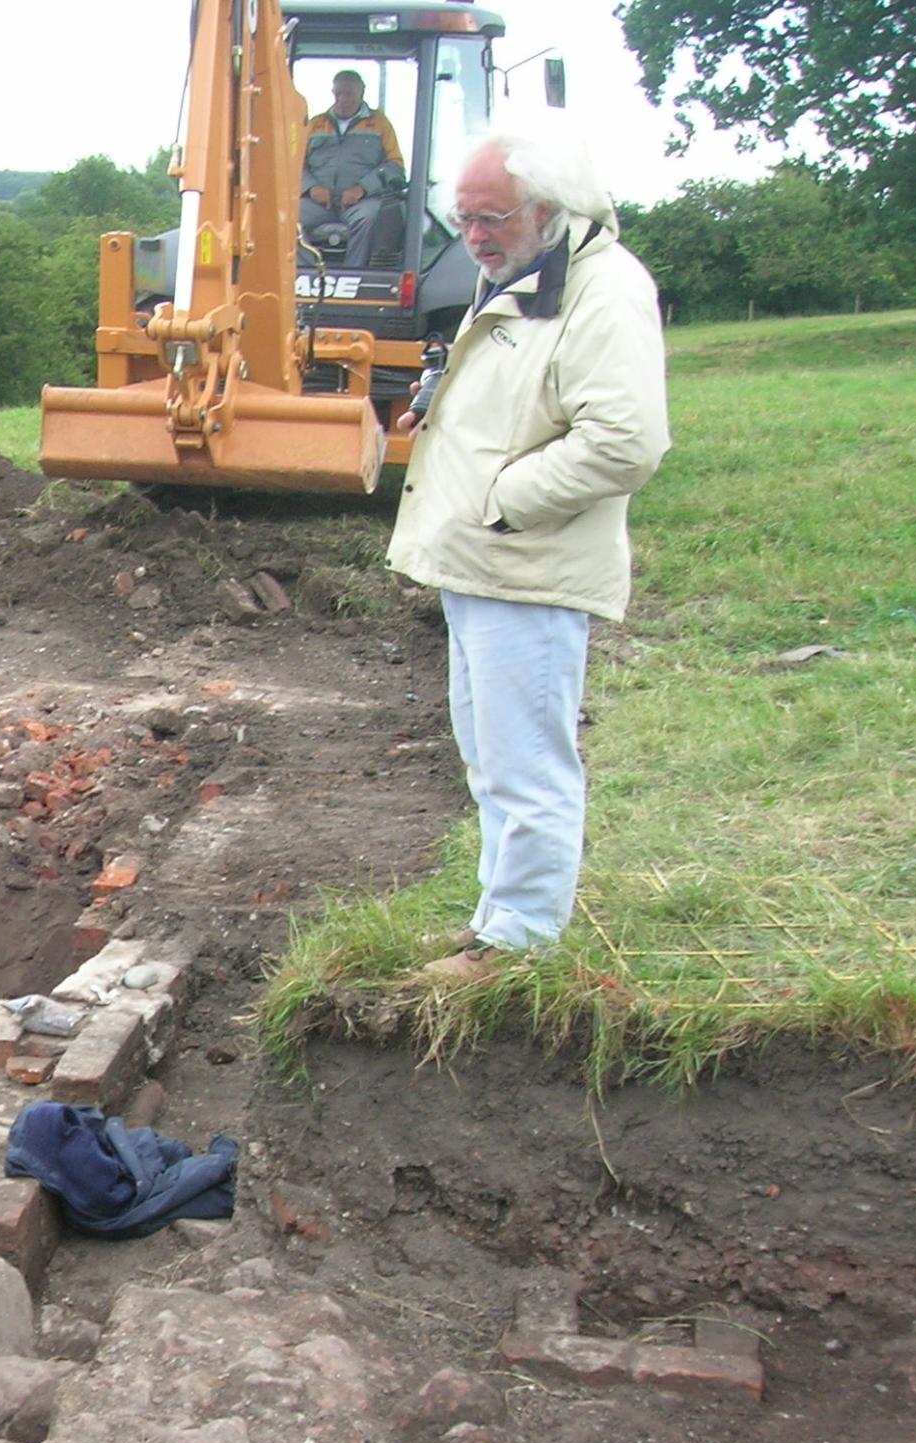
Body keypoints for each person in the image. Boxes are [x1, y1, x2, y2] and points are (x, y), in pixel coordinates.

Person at [387, 127, 670, 978]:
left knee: (528, 764)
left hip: (529, 568)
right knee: (488, 757)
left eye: (491, 217)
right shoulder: (520, 273)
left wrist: (505, 502)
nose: (473, 234)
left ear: (549, 208)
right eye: (462, 216)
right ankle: (495, 918)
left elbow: (626, 440)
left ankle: (519, 943)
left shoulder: (604, 291)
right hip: (479, 564)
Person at [300, 70, 407, 260]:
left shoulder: (379, 124)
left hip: (361, 203)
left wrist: (362, 189)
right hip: (318, 203)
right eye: (337, 94)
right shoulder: (315, 125)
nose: (342, 99)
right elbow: (294, 166)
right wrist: (311, 188)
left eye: (348, 93)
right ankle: (308, 272)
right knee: (287, 219)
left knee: (369, 218)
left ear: (362, 92)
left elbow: (395, 166)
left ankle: (354, 273)